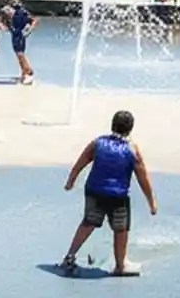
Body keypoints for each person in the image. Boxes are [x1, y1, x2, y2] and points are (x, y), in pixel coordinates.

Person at [58, 110, 158, 277]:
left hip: (94, 191)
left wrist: (71, 181)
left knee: (88, 223)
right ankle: (120, 266)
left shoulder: (98, 143)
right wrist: (151, 202)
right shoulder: (132, 150)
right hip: (117, 196)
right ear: (130, 129)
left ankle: (69, 256)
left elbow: (80, 162)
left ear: (112, 125)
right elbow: (143, 178)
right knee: (121, 230)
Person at [7, 1, 37, 85]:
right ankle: (23, 74)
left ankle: (29, 72)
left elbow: (34, 21)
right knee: (19, 55)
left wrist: (29, 31)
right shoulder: (12, 12)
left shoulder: (22, 13)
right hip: (16, 35)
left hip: (19, 36)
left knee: (20, 55)